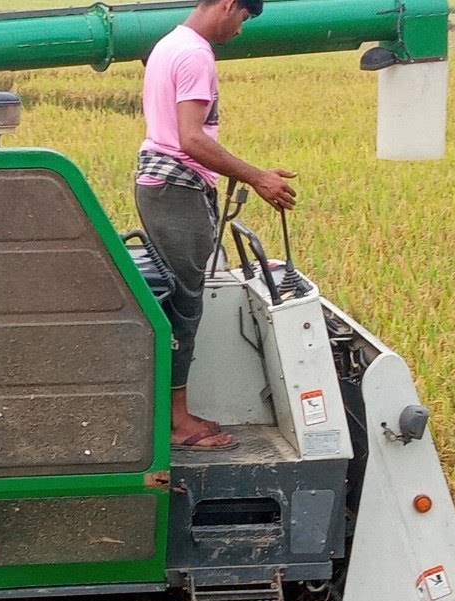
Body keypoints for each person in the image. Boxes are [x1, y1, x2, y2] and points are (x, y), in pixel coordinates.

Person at [135, 0, 298, 452]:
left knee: (177, 302)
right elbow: (190, 137)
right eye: (243, 18)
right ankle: (177, 424)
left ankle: (174, 414)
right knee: (184, 306)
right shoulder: (195, 54)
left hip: (163, 186)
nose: (241, 30)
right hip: (176, 190)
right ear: (227, 4)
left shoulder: (170, 43)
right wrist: (257, 176)